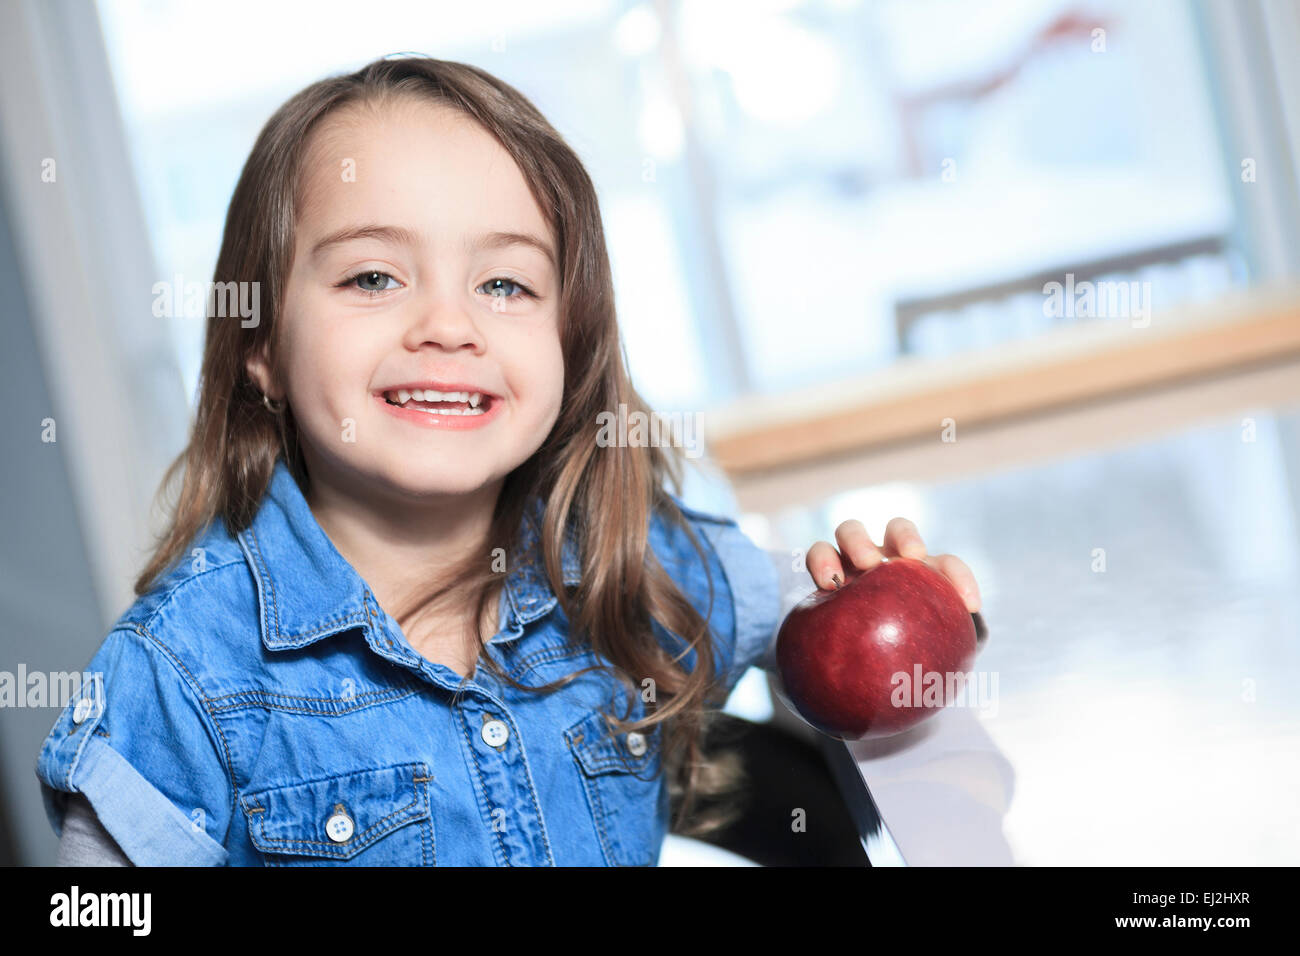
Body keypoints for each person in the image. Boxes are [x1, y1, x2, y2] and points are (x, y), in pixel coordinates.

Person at [35, 55, 981, 866]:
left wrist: (906, 606)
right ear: (263, 347)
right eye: (373, 276)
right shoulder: (181, 672)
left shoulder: (634, 563)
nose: (448, 325)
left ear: (567, 345)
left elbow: (832, 647)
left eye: (504, 282)